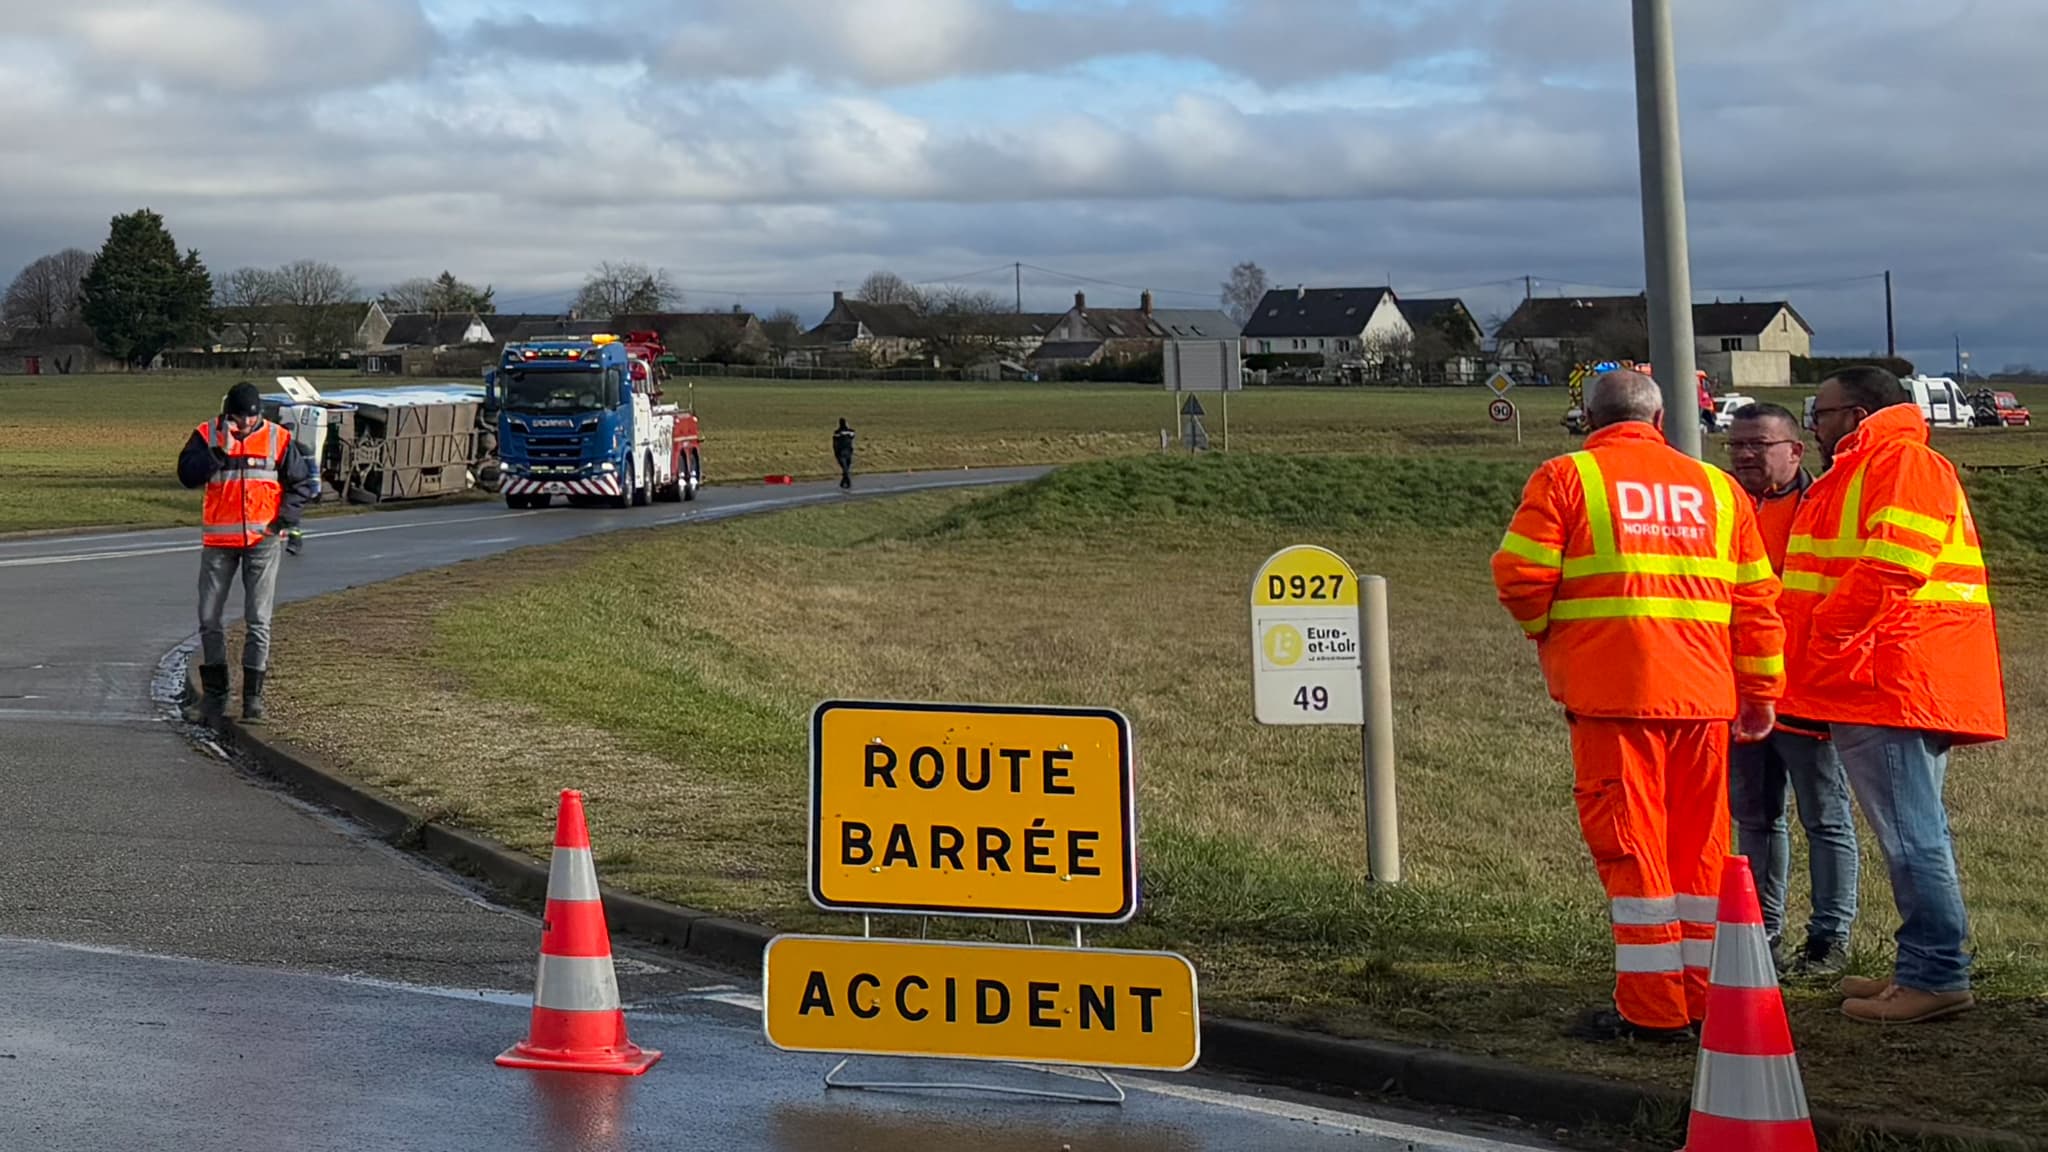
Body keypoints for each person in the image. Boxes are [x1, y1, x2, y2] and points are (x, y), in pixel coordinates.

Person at [1493, 369, 1783, 1042]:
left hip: (1614, 698)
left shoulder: (1568, 478)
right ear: (1658, 423)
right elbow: (1757, 604)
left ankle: (1651, 1011)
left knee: (1634, 852)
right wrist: (1761, 693)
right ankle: (1705, 1000)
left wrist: (1553, 633)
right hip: (1705, 700)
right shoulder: (1719, 489)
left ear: (1592, 421)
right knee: (1700, 854)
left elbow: (1519, 576)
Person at [1783, 366, 2007, 1024]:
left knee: (1913, 838)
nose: (1813, 426)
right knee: (1915, 832)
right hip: (1880, 677)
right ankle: (1922, 965)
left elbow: (1893, 568)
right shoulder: (1876, 466)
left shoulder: (1902, 464)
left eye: (1819, 414)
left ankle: (1935, 971)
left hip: (1885, 679)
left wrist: (1823, 638)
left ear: (1856, 414)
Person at [1721, 403, 1860, 978]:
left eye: (1759, 444)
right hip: (1741, 692)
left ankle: (1829, 941)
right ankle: (1762, 935)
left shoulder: (1824, 504)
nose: (1746, 455)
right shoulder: (1722, 503)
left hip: (1808, 693)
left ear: (1795, 450)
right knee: (1754, 818)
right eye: (1736, 446)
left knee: (1825, 819)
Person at [176, 382, 319, 725]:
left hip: (263, 540)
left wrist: (284, 519)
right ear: (227, 415)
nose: (244, 426)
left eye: (250, 420)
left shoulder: (277, 438)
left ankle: (253, 699)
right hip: (219, 544)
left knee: (259, 619)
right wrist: (216, 454)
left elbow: (302, 484)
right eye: (238, 419)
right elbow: (186, 475)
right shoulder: (206, 434)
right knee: (209, 618)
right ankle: (215, 697)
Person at [833, 418, 856, 489]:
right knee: (846, 468)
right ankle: (847, 482)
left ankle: (843, 482)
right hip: (847, 451)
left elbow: (834, 443)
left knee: (845, 468)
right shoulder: (850, 432)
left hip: (841, 452)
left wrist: (836, 452)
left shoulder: (837, 432)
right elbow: (852, 436)